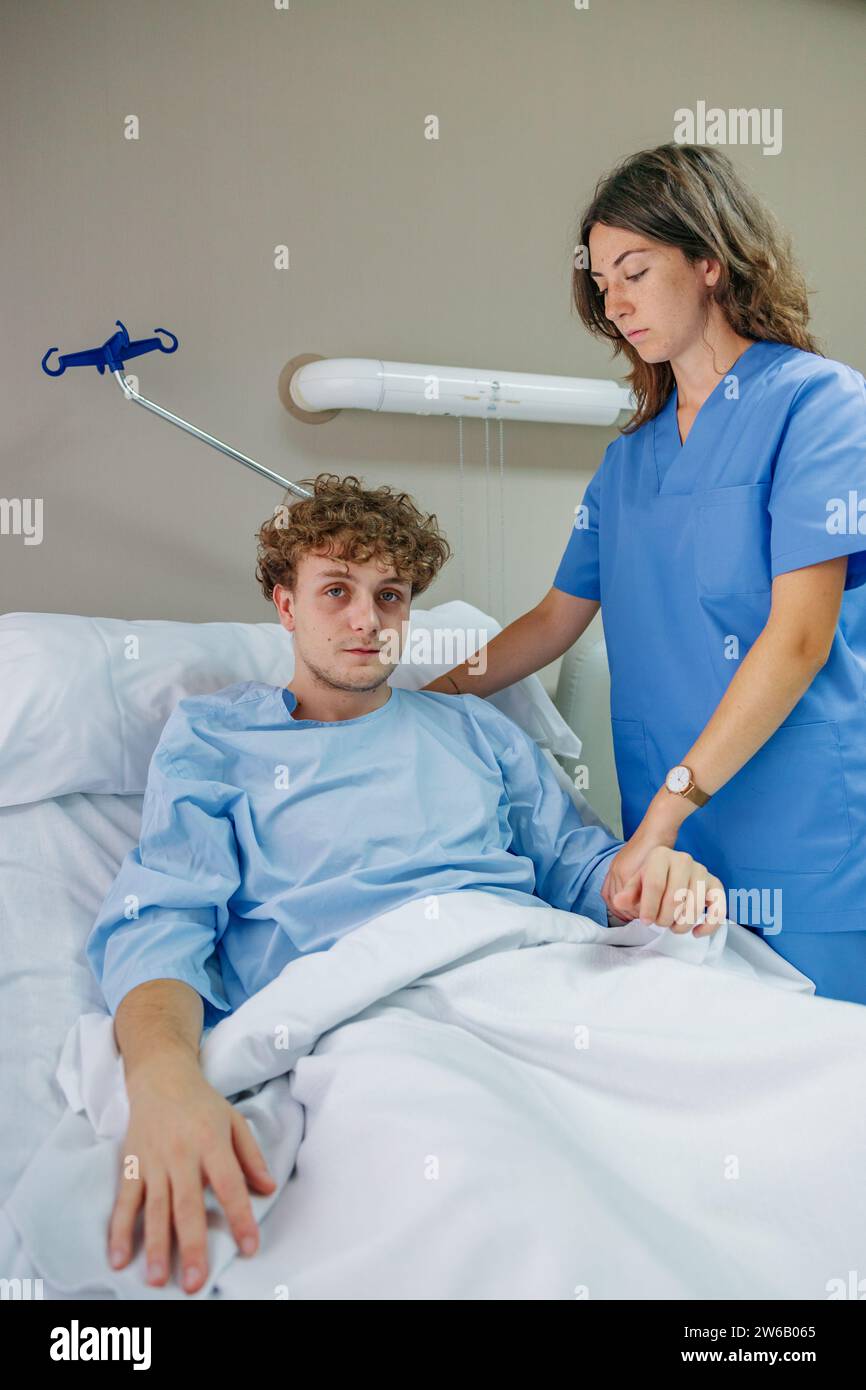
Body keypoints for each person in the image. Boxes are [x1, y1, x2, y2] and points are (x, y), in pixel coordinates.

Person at [85, 472, 725, 1296]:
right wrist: (162, 1079)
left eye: (389, 595)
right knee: (510, 1191)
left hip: (536, 974)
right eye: (336, 591)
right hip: (375, 1014)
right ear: (285, 606)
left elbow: (577, 864)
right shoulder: (218, 739)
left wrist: (651, 874)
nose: (366, 619)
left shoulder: (472, 727)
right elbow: (160, 920)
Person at [424, 142, 866, 1005]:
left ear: (709, 261)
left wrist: (668, 809)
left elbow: (802, 637)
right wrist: (423, 699)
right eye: (600, 281)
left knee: (832, 1101)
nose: (614, 301)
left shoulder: (821, 407)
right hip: (672, 860)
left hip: (804, 830)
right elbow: (555, 620)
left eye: (635, 270)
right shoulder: (629, 461)